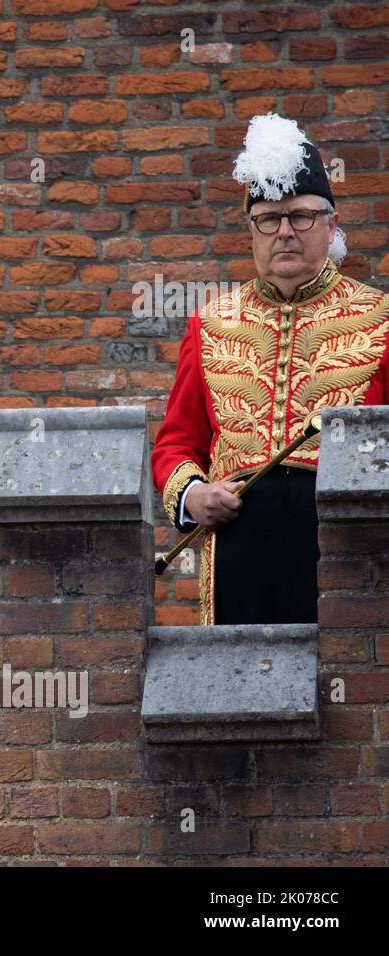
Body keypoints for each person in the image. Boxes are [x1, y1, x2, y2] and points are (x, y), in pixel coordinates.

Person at [152, 114, 389, 625]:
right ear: (251, 231)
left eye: (301, 216)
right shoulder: (210, 324)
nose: (285, 232)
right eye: (269, 218)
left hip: (352, 553)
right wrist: (194, 494)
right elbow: (176, 444)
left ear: (330, 225)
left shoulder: (381, 320)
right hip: (238, 558)